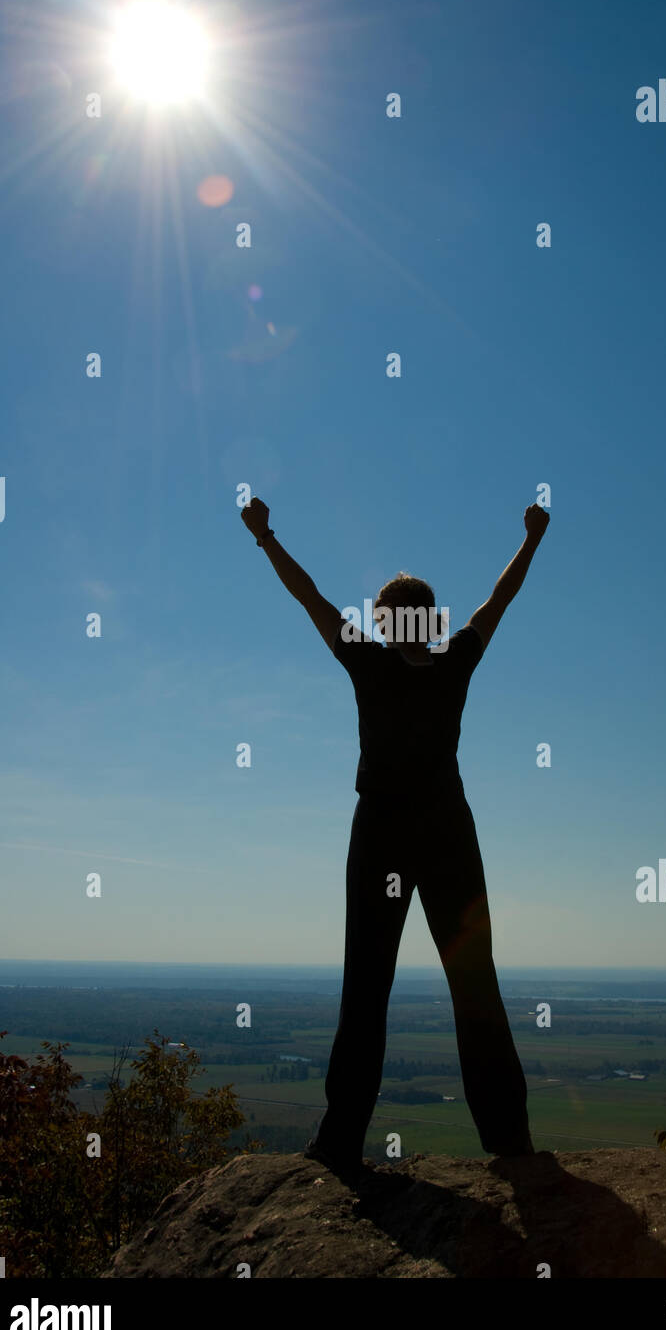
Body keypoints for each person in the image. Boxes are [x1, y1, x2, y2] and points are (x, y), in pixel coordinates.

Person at [241, 497, 550, 1175]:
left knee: (367, 986)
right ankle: (509, 1141)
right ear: (430, 619)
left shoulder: (370, 663)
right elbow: (500, 598)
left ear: (384, 620)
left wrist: (267, 536)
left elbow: (310, 596)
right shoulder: (453, 662)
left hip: (382, 830)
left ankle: (340, 1141)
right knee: (475, 983)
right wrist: (531, 540)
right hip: (448, 834)